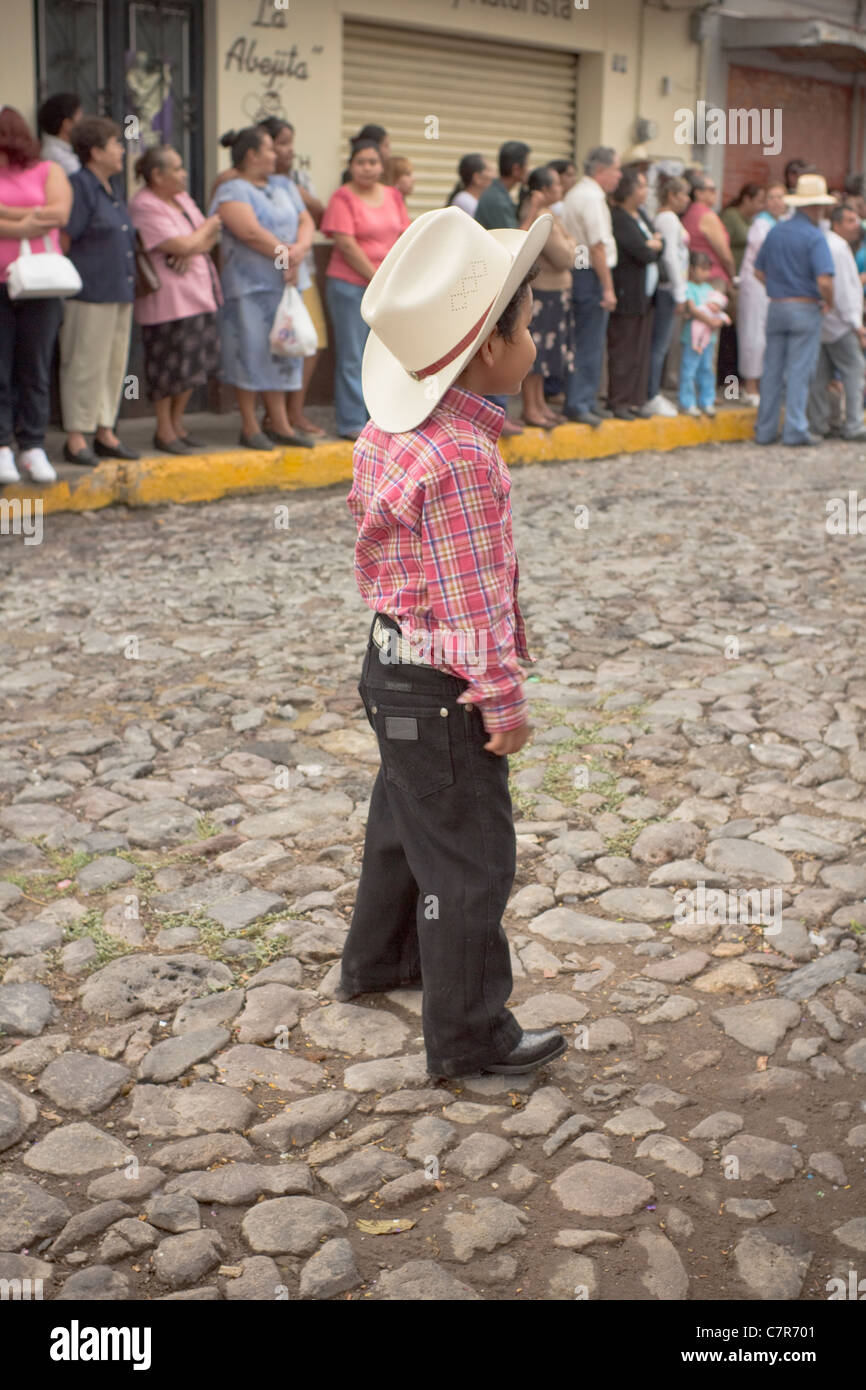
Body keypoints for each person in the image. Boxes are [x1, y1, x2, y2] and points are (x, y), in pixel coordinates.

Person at [341, 202, 569, 1080]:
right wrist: (504, 703)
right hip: (445, 683)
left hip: (388, 663)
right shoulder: (467, 460)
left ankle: (380, 960)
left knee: (405, 820)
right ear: (486, 351)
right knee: (471, 856)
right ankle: (471, 1032)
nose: (536, 337)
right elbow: (471, 604)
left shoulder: (389, 433)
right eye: (524, 325)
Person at [209, 126, 315, 450]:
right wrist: (288, 255)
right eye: (269, 149)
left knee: (282, 351)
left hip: (285, 285)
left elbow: (306, 220)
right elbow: (249, 232)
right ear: (252, 155)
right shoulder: (232, 190)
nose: (276, 154)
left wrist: (298, 251)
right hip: (250, 286)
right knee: (250, 352)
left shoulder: (284, 184)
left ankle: (280, 423)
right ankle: (250, 425)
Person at [129, 145, 222, 454]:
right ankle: (164, 430)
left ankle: (178, 424)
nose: (184, 174)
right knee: (166, 367)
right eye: (177, 169)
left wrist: (192, 245)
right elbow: (183, 241)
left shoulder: (181, 199)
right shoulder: (144, 204)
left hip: (197, 293)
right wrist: (195, 240)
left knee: (193, 365)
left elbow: (206, 235)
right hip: (166, 302)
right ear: (157, 175)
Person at [60, 116, 138, 466]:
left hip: (119, 288)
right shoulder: (79, 186)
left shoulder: (111, 189)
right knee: (83, 364)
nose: (121, 150)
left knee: (112, 364)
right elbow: (65, 237)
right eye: (115, 144)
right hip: (89, 291)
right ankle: (77, 437)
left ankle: (105, 430)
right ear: (95, 151)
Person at [0, 106, 72, 484]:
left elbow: (58, 214)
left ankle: (32, 444)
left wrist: (5, 219)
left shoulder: (47, 170)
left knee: (35, 365)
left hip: (39, 283)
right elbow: (39, 217)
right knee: (0, 367)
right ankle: (1, 447)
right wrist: (25, 219)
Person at [321, 136, 409, 440]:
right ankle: (351, 422)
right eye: (361, 162)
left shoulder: (393, 196)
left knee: (384, 356)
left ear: (381, 166)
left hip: (387, 290)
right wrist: (376, 277)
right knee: (352, 355)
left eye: (373, 162)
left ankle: (381, 417)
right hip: (349, 287)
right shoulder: (342, 198)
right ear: (351, 166)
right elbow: (345, 243)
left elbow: (403, 235)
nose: (367, 168)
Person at [754, 173, 835, 447]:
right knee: (799, 372)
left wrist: (777, 287)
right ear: (815, 207)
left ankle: (764, 430)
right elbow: (824, 280)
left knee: (772, 371)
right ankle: (795, 429)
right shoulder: (814, 236)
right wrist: (829, 301)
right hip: (804, 306)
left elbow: (757, 270)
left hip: (777, 306)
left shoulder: (776, 231)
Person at [259, 116, 328, 437]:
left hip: (304, 271)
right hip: (268, 275)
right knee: (275, 342)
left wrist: (294, 188)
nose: (289, 150)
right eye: (282, 143)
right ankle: (273, 417)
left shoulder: (294, 180)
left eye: (290, 143)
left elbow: (318, 215)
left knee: (310, 340)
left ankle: (294, 413)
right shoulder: (245, 182)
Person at [561, 145, 621, 426]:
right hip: (590, 272)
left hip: (579, 269)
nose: (619, 176)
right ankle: (580, 401)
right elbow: (597, 247)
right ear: (601, 170)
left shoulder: (576, 194)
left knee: (584, 339)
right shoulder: (593, 197)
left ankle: (584, 399)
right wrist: (608, 288)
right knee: (590, 341)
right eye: (616, 169)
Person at [517, 166, 575, 427]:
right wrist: (571, 243)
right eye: (556, 185)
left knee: (548, 355)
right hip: (543, 294)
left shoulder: (552, 214)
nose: (561, 188)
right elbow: (565, 256)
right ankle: (531, 408)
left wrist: (571, 243)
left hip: (555, 294)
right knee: (536, 354)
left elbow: (572, 246)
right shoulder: (542, 217)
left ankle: (540, 404)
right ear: (544, 190)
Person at [806, 203, 866, 442]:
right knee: (854, 371)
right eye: (850, 221)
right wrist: (855, 322)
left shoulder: (825, 242)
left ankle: (820, 424)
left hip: (823, 320)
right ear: (837, 223)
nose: (855, 226)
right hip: (840, 322)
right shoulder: (838, 247)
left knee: (821, 376)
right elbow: (843, 289)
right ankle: (853, 423)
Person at [606, 167, 663, 419]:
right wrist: (653, 245)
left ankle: (633, 401)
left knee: (639, 350)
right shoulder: (619, 218)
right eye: (641, 186)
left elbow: (659, 244)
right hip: (627, 292)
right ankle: (618, 401)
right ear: (629, 189)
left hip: (645, 295)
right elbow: (643, 251)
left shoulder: (640, 214)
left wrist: (654, 245)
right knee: (624, 350)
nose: (646, 191)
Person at [737, 181, 787, 404]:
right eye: (772, 197)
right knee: (753, 334)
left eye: (780, 197)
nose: (776, 201)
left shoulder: (783, 223)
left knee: (768, 335)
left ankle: (765, 384)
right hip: (757, 284)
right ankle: (750, 386)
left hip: (773, 286)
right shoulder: (761, 224)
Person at [647, 175, 690, 416]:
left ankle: (653, 391)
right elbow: (671, 257)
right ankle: (652, 393)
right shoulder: (669, 219)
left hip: (670, 288)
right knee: (660, 344)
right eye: (684, 194)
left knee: (661, 343)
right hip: (668, 290)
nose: (687, 200)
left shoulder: (667, 218)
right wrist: (680, 291)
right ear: (672, 195)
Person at [678, 251, 730, 417]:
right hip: (692, 338)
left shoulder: (709, 289)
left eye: (708, 269)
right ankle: (687, 402)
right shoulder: (688, 288)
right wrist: (710, 321)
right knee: (689, 369)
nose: (706, 273)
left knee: (707, 369)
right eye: (702, 269)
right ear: (692, 269)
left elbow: (719, 308)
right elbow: (692, 309)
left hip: (709, 338)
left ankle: (707, 401)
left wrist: (719, 320)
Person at [474, 140, 538, 232]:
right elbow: (515, 239)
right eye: (526, 165)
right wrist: (534, 208)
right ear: (516, 169)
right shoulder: (497, 199)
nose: (528, 170)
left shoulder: (497, 191)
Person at [721, 183, 765, 274]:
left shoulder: (754, 219)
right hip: (730, 271)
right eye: (759, 201)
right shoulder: (731, 215)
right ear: (747, 199)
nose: (762, 206)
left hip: (746, 272)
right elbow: (722, 245)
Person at [37, 92, 82, 176]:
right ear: (67, 124)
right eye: (80, 119)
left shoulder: (59, 149)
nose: (83, 125)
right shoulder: (57, 156)